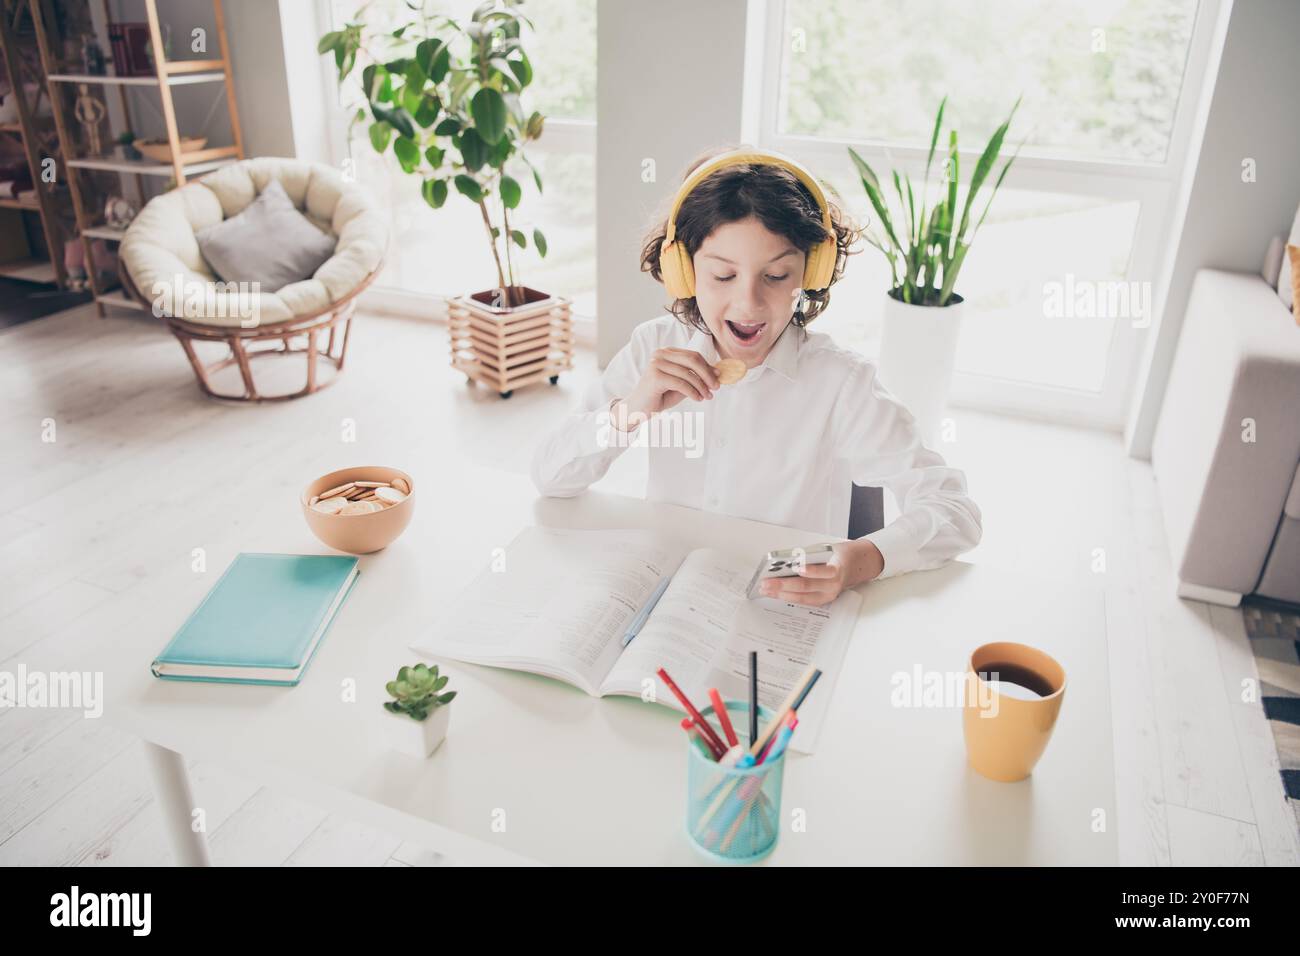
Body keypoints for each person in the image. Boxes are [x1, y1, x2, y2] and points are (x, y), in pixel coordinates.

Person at [530, 146, 981, 606]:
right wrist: (627, 412)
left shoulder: (842, 384)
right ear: (683, 273)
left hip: (780, 607)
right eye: (723, 276)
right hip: (669, 596)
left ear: (812, 271)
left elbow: (955, 512)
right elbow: (550, 477)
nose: (749, 304)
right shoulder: (653, 348)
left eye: (777, 275)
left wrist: (861, 559)